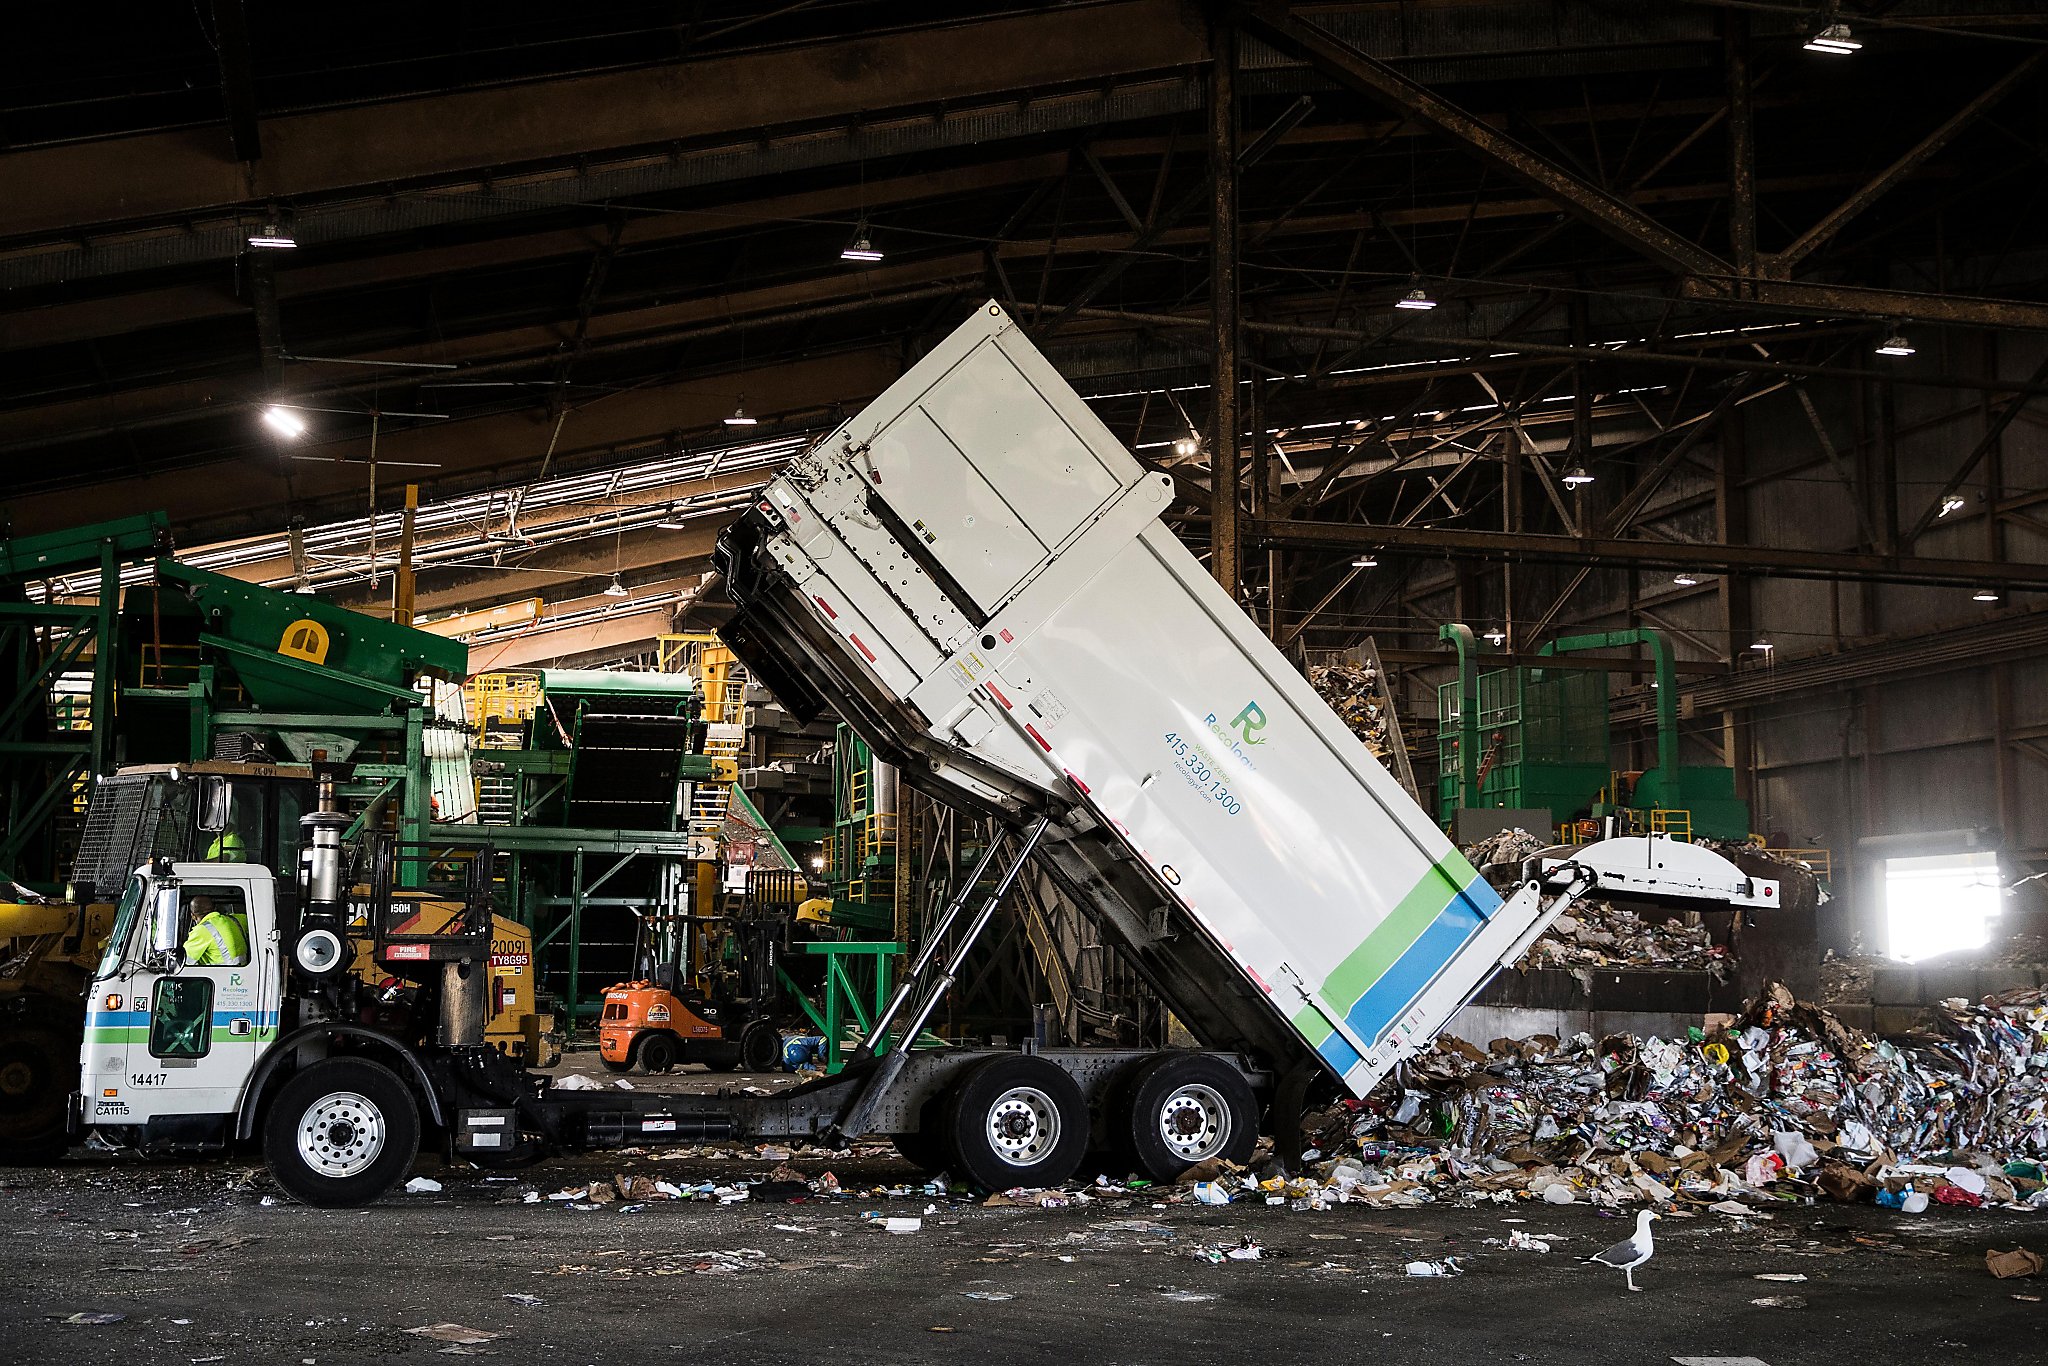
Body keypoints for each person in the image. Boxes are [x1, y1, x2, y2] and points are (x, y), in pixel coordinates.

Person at [182, 894, 249, 966]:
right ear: (215, 908)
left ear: (193, 916)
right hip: (243, 971)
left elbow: (184, 960)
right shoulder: (236, 920)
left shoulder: (201, 931)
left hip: (220, 974)